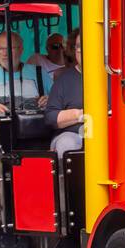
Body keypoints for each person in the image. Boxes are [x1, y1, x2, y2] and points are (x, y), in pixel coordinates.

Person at [44, 29, 83, 157]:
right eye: (78, 46)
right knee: (67, 144)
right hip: (74, 134)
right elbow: (50, 118)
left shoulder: (114, 76)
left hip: (109, 133)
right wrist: (81, 114)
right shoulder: (63, 79)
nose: (83, 49)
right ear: (73, 49)